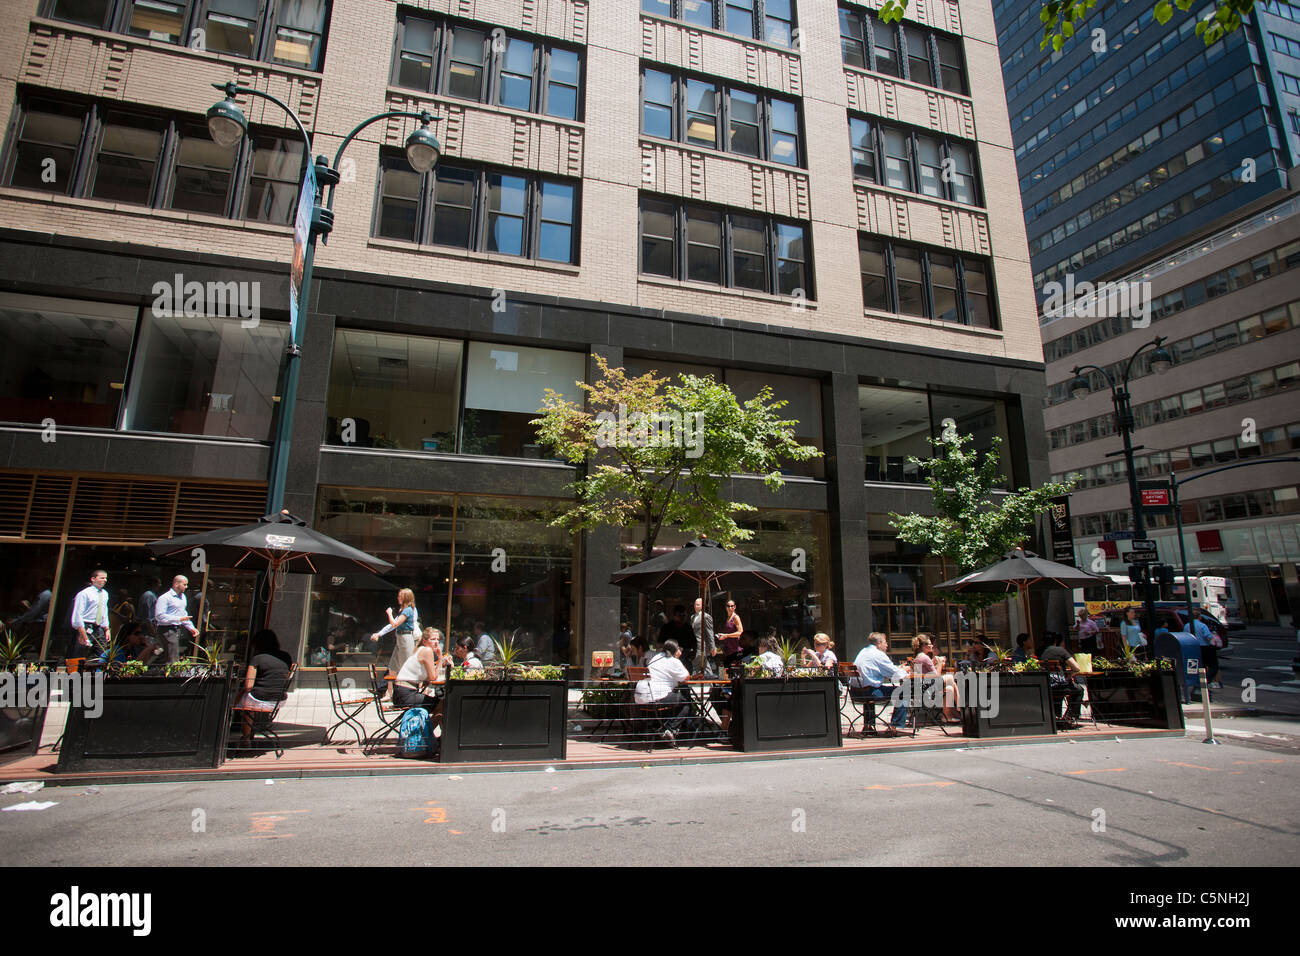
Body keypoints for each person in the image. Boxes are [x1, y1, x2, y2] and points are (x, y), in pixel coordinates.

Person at [234, 629, 293, 747]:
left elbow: (248, 685)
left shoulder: (257, 658)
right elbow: (286, 679)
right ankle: (253, 729)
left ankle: (245, 737)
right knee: (248, 700)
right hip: (280, 698)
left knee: (246, 705)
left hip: (259, 698)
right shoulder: (285, 657)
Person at [633, 638, 694, 742]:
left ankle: (661, 729)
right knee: (686, 701)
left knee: (673, 700)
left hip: (640, 698)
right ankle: (669, 729)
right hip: (655, 697)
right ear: (675, 650)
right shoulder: (674, 661)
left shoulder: (656, 657)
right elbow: (686, 677)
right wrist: (679, 659)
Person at [851, 632, 909, 734]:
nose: (887, 645)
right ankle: (894, 726)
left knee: (874, 687)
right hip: (869, 692)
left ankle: (868, 726)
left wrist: (896, 670)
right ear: (879, 643)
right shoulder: (878, 654)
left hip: (856, 692)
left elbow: (885, 669)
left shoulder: (863, 651)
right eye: (886, 642)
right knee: (903, 691)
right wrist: (905, 671)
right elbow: (895, 673)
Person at [370, 588, 418, 700]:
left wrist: (389, 613)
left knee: (405, 667)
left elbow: (394, 623)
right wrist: (379, 634)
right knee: (392, 666)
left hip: (405, 638)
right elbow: (392, 626)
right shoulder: (403, 610)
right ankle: (389, 693)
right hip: (400, 638)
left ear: (406, 597)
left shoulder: (408, 610)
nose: (398, 598)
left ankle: (406, 694)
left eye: (400, 596)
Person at [394, 628, 448, 712]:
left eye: (438, 639)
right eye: (433, 639)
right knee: (443, 705)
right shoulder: (427, 650)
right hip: (406, 694)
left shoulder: (420, 649)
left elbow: (429, 677)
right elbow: (433, 677)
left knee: (441, 705)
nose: (436, 642)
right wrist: (440, 658)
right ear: (424, 641)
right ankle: (428, 725)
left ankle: (428, 725)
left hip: (400, 692)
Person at [1039, 632, 1085, 727]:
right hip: (1060, 685)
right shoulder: (1060, 651)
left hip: (1046, 686)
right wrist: (1069, 675)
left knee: (1058, 693)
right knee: (1079, 690)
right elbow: (1076, 668)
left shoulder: (1039, 652)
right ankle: (1070, 717)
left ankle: (1056, 717)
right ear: (1055, 641)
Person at [911, 633, 959, 721]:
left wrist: (933, 662)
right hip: (927, 690)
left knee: (949, 688)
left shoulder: (918, 657)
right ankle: (961, 708)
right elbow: (936, 675)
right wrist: (940, 662)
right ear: (924, 646)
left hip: (922, 689)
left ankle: (946, 716)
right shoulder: (925, 658)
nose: (932, 645)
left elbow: (928, 674)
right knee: (950, 677)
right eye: (929, 644)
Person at [154, 575, 199, 664]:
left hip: (176, 630)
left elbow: (183, 615)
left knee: (172, 656)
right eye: (184, 584)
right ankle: (169, 676)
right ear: (176, 584)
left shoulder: (183, 597)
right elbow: (159, 616)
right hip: (166, 630)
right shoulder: (165, 598)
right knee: (172, 659)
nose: (187, 587)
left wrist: (191, 628)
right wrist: (178, 619)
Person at [71, 569, 112, 657]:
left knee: (102, 653)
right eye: (102, 578)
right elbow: (78, 614)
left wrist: (106, 628)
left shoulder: (105, 594)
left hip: (98, 627)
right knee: (82, 653)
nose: (105, 580)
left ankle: (98, 670)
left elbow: (104, 611)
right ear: (93, 579)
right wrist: (82, 633)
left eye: (106, 578)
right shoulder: (84, 594)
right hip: (86, 626)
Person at [1187, 607, 1221, 689]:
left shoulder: (1187, 625)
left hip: (1192, 647)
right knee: (1213, 666)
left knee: (1197, 666)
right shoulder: (1203, 625)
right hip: (1205, 647)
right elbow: (1208, 637)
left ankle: (1195, 682)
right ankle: (1206, 681)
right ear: (1200, 617)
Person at [657, 604, 697, 671]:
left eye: (684, 615)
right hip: (669, 658)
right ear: (674, 616)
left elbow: (694, 644)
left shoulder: (688, 627)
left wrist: (693, 654)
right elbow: (659, 644)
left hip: (685, 658)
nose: (682, 618)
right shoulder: (667, 628)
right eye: (680, 615)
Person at [717, 599, 744, 665]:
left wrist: (726, 635)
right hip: (728, 649)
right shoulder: (728, 618)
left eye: (732, 606)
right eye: (728, 606)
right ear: (726, 607)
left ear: (735, 607)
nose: (730, 608)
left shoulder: (735, 617)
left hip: (735, 649)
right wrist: (722, 635)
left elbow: (740, 632)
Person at [692, 598, 714, 673]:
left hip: (701, 646)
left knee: (696, 665)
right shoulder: (693, 617)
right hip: (694, 645)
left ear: (702, 606)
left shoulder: (706, 617)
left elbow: (710, 633)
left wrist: (712, 647)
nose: (695, 606)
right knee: (704, 666)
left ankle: (693, 683)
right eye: (695, 604)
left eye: (697, 605)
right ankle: (712, 682)